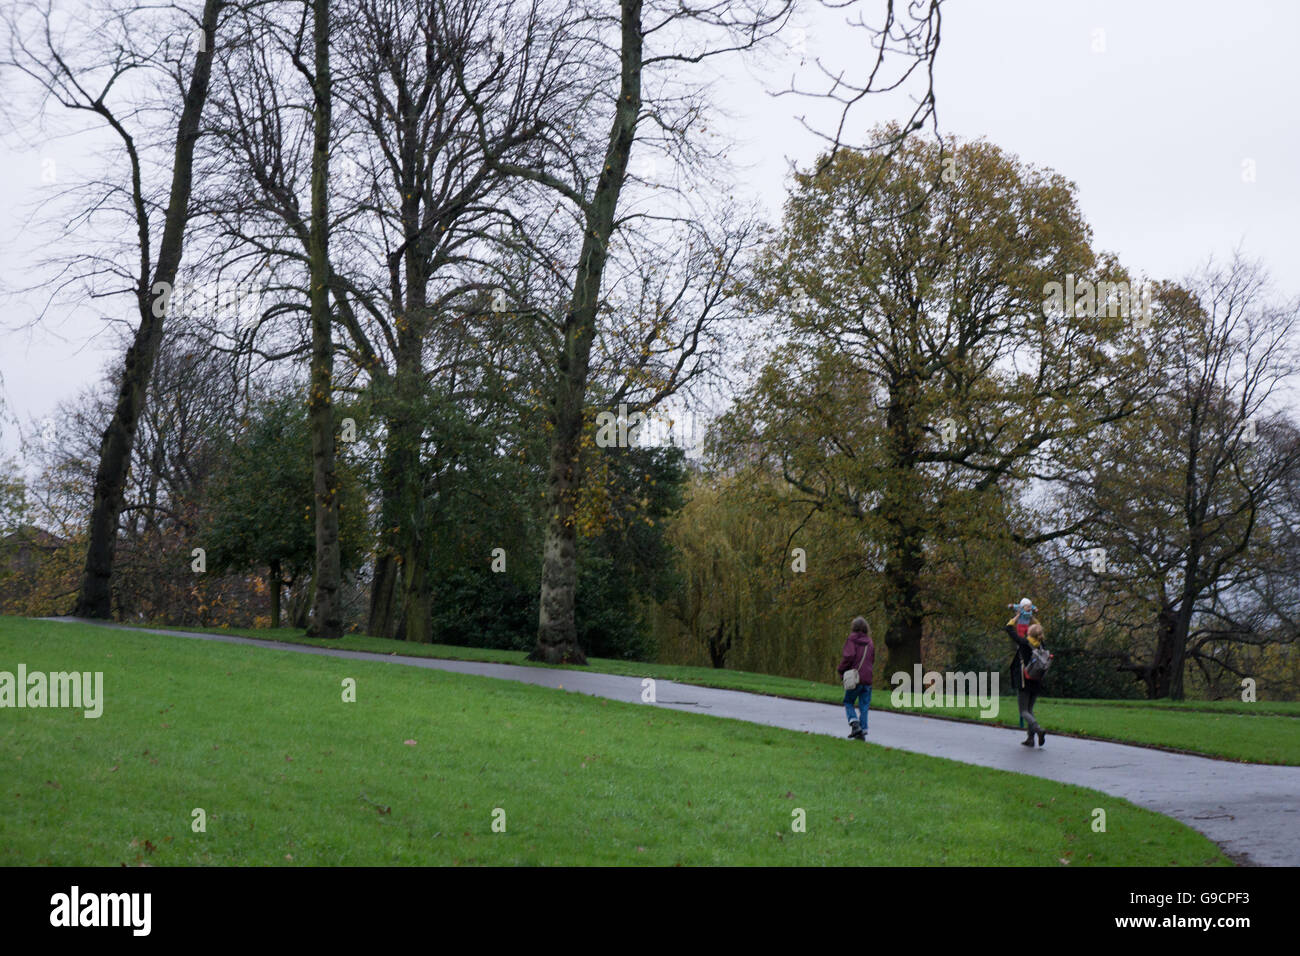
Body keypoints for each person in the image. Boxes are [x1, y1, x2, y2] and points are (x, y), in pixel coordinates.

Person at [1005, 615, 1047, 747]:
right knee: (1030, 709)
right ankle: (1030, 739)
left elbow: (1009, 628)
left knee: (1023, 711)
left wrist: (1017, 616)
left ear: (1029, 633)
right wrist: (1032, 616)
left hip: (1025, 680)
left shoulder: (1024, 643)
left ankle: (1038, 730)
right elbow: (1039, 627)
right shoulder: (1041, 645)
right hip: (1037, 681)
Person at [837, 617, 874, 740]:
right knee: (864, 706)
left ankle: (854, 723)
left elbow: (849, 656)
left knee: (848, 701)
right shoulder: (870, 642)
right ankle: (863, 730)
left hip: (855, 677)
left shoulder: (852, 640)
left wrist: (840, 669)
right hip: (867, 678)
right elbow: (872, 660)